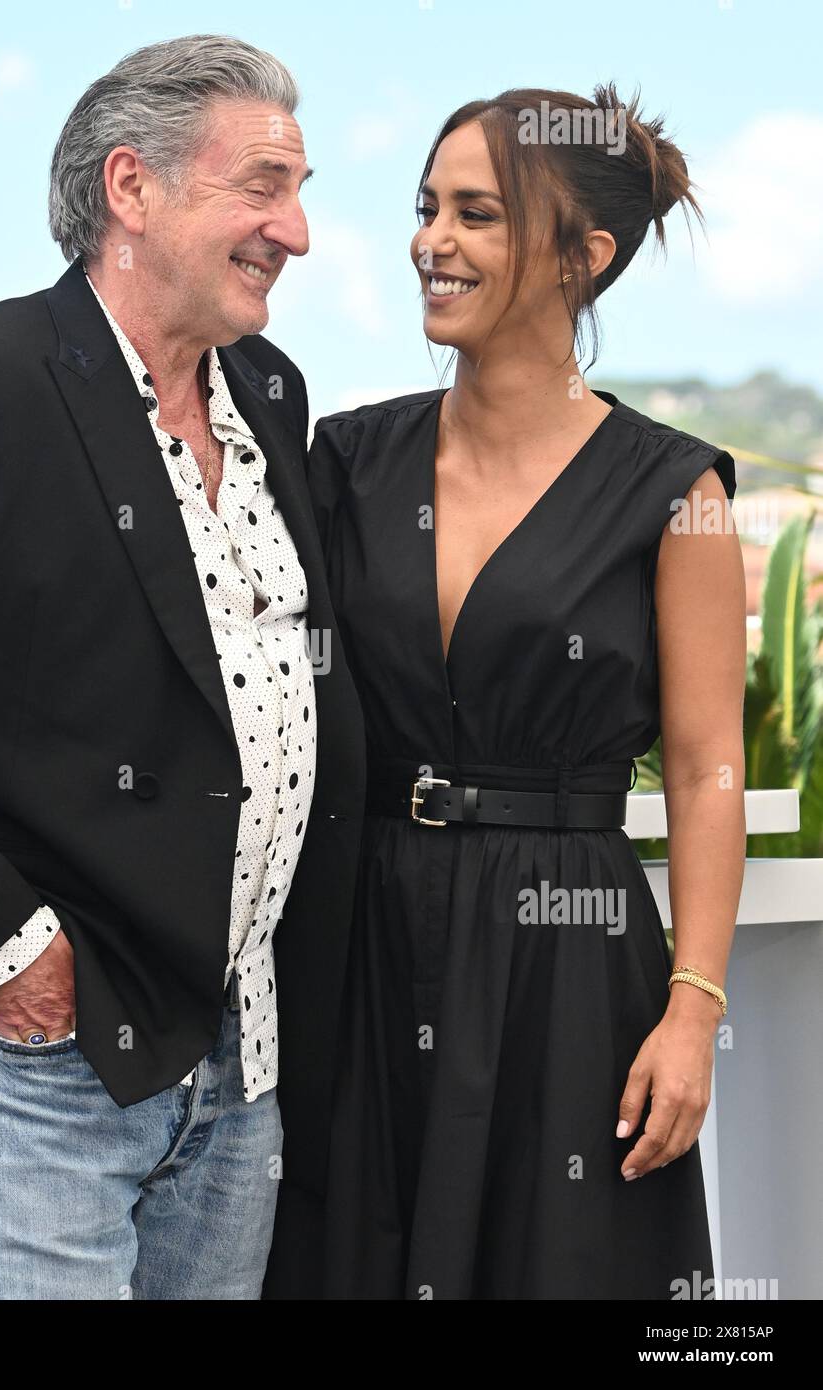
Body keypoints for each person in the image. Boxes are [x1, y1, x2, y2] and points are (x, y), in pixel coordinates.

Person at [0, 34, 366, 1299]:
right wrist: (2, 943)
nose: (296, 231)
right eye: (262, 186)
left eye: (299, 192)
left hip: (242, 1065)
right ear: (131, 190)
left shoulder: (268, 389)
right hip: (50, 1060)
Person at [265, 84, 746, 1299]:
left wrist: (692, 1010)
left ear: (583, 258)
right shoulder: (346, 459)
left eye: (477, 213)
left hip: (567, 963)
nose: (433, 240)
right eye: (427, 207)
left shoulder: (674, 489)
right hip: (362, 937)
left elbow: (704, 768)